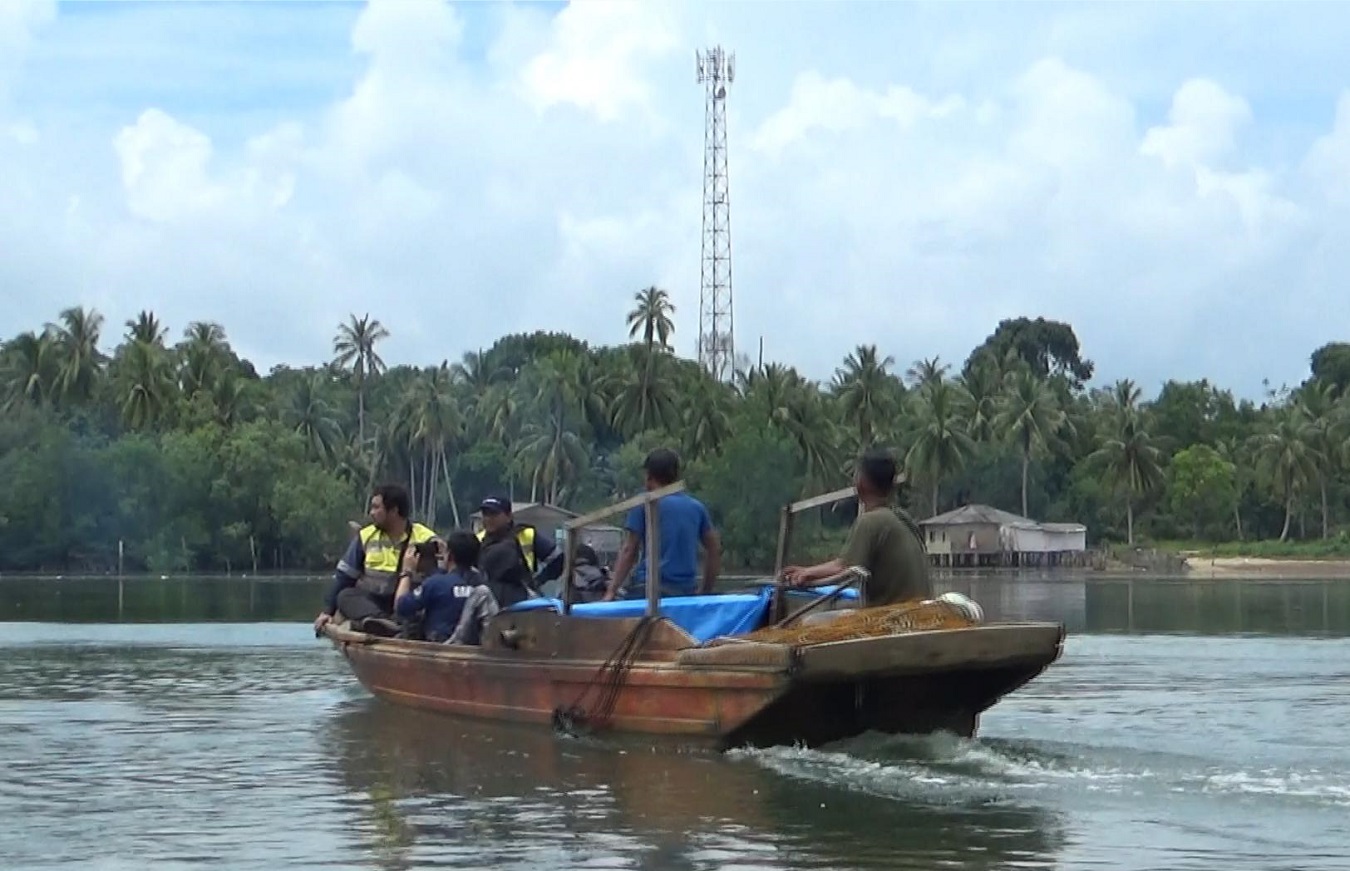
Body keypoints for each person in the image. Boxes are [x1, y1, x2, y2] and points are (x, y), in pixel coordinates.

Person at [782, 449, 931, 606]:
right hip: (919, 612)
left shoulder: (871, 521)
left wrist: (805, 575)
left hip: (893, 618)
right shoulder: (902, 517)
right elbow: (848, 565)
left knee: (811, 621)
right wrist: (808, 572)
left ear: (862, 482)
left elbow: (845, 569)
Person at [313, 484, 437, 634]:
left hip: (409, 603)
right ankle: (384, 623)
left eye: (376, 508)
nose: (371, 513)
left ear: (393, 511)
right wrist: (327, 611)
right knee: (345, 596)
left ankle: (393, 625)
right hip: (374, 603)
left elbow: (441, 580)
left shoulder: (426, 538)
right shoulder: (366, 536)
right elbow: (344, 577)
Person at [603, 448, 721, 601]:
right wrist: (705, 590)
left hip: (648, 588)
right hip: (685, 590)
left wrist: (611, 591)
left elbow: (629, 551)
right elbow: (714, 549)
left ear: (649, 476)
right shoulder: (697, 507)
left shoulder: (644, 503)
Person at [394, 530, 499, 645]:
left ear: (450, 556)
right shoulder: (482, 584)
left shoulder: (436, 583)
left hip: (440, 650)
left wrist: (407, 572)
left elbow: (400, 607)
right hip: (473, 650)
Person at [475, 495, 564, 609]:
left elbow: (558, 559)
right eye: (485, 514)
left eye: (494, 514)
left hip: (523, 597)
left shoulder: (526, 534)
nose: (488, 519)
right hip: (490, 600)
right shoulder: (477, 540)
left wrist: (539, 580)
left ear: (509, 517)